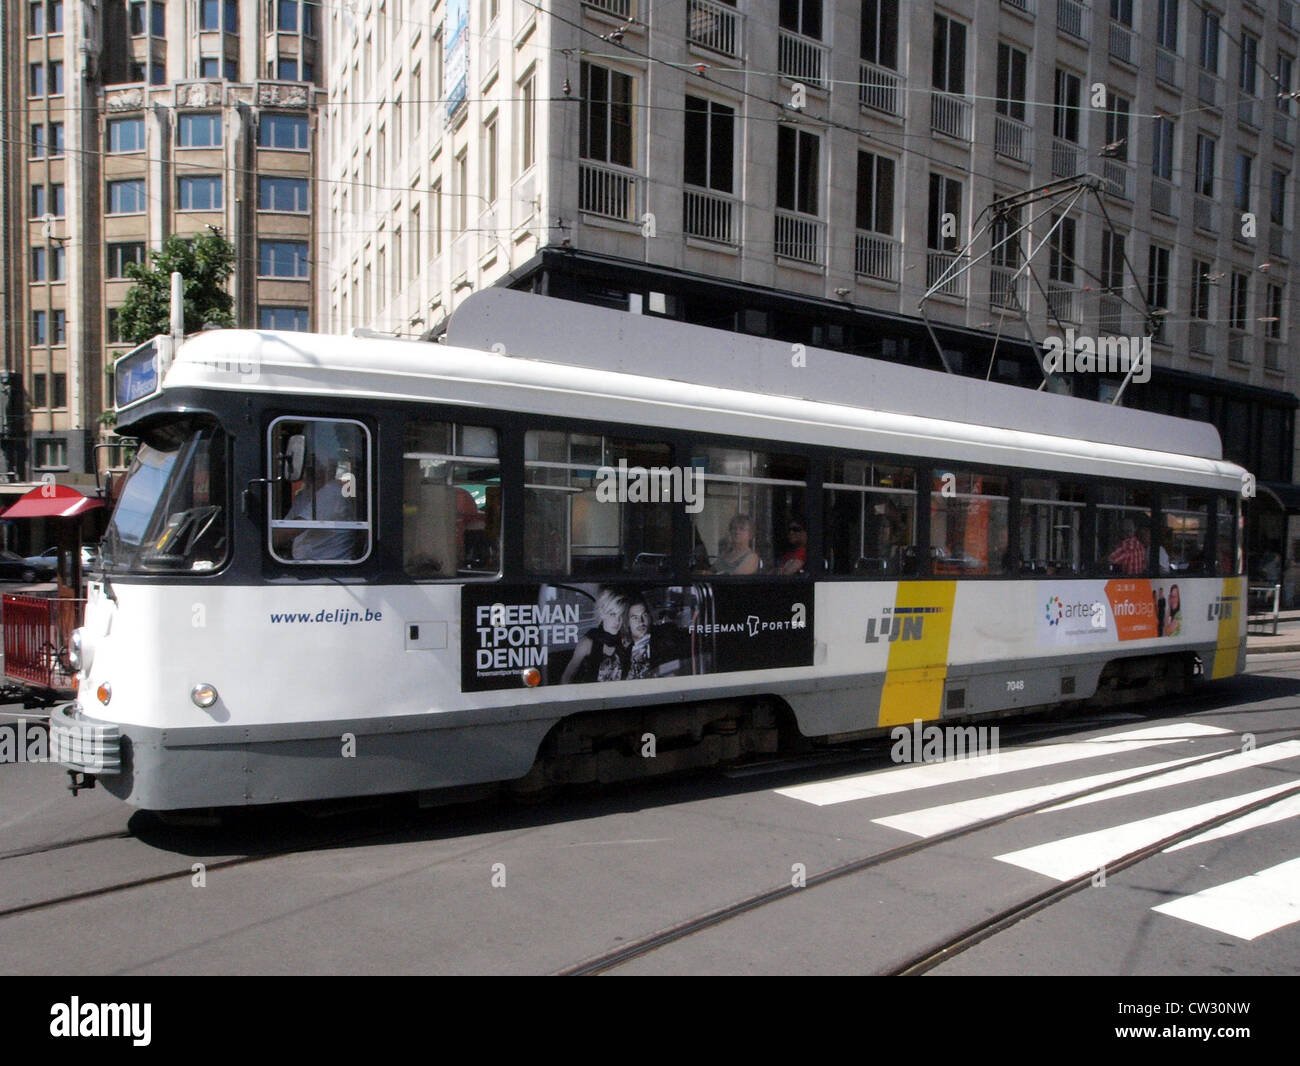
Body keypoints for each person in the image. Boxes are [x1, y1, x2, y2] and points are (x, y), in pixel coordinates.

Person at [276, 447, 361, 561]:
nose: (309, 470)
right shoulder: (304, 494)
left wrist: (260, 541)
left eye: (315, 465)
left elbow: (291, 531)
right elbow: (286, 525)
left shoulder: (332, 492)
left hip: (328, 565)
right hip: (304, 562)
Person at [561, 587, 630, 684]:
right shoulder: (587, 643)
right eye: (612, 614)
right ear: (602, 614)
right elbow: (566, 678)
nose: (617, 621)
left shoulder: (625, 641)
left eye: (621, 615)